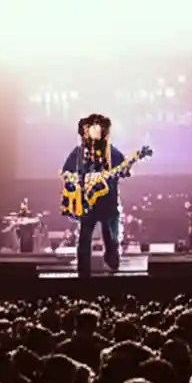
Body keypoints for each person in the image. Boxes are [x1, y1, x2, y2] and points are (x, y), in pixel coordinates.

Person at [61, 114, 128, 279]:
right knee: (84, 239)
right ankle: (83, 273)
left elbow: (125, 170)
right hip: (87, 204)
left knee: (112, 239)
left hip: (109, 203)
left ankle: (113, 266)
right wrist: (73, 180)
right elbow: (66, 171)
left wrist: (122, 170)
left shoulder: (112, 153)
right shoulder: (78, 153)